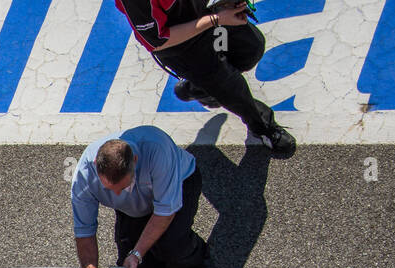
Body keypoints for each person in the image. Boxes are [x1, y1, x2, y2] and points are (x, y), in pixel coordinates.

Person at [115, 0, 296, 157]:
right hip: (183, 46)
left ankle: (200, 87)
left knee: (251, 48)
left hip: (209, 18)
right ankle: (263, 127)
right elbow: (158, 40)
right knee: (230, 86)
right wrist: (215, 20)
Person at [71, 125, 217, 268]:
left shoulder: (158, 150)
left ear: (135, 160)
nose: (117, 194)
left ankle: (199, 258)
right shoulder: (83, 177)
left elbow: (165, 212)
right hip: (135, 206)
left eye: (123, 187)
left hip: (181, 184)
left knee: (171, 243)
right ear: (96, 164)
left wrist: (137, 254)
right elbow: (84, 231)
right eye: (110, 189)